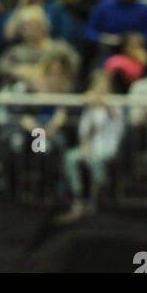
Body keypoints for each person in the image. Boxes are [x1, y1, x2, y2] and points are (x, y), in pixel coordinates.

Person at [58, 70, 125, 222]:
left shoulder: (116, 103)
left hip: (109, 147)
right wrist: (85, 146)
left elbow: (118, 125)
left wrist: (99, 102)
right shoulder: (90, 108)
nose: (100, 89)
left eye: (104, 86)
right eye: (97, 86)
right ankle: (78, 197)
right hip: (91, 147)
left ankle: (98, 198)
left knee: (95, 160)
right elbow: (83, 131)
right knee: (70, 158)